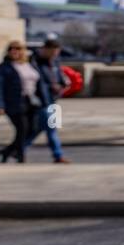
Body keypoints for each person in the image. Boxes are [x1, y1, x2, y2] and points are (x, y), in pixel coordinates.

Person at [0, 41, 51, 164]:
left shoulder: (30, 64)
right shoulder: (3, 67)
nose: (14, 51)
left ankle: (8, 151)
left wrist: (47, 102)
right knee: (22, 129)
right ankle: (20, 155)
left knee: (33, 129)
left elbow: (40, 83)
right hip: (14, 102)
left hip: (32, 101)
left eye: (18, 49)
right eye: (11, 49)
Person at [28, 35, 72, 164]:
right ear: (45, 49)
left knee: (39, 129)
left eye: (56, 52)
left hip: (53, 100)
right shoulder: (34, 61)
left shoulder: (54, 61)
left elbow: (58, 76)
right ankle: (58, 155)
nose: (54, 55)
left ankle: (19, 148)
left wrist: (61, 85)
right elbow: (38, 81)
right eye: (52, 52)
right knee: (52, 128)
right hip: (41, 100)